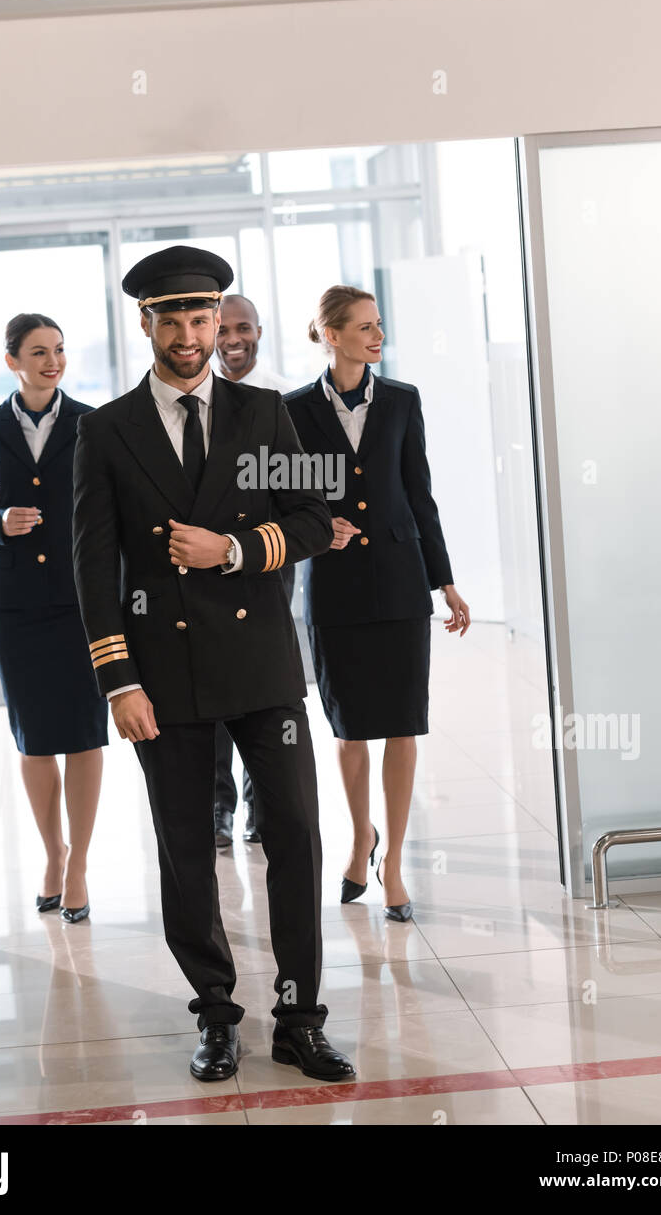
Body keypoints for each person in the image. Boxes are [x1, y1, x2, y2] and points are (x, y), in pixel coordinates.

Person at [71, 245, 356, 1084]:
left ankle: (299, 1016)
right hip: (163, 675)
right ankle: (217, 1013)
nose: (191, 335)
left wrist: (231, 548)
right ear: (147, 324)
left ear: (217, 322)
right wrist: (117, 680)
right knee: (188, 848)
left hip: (263, 665)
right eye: (174, 321)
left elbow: (310, 517)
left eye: (203, 319)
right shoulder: (105, 429)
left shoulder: (264, 413)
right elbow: (92, 564)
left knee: (297, 838)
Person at [284, 285, 471, 923]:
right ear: (331, 334)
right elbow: (284, 498)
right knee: (351, 729)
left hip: (399, 580)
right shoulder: (292, 411)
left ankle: (393, 865)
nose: (376, 336)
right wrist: (318, 527)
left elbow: (420, 493)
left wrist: (443, 579)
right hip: (334, 588)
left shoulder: (401, 400)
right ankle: (360, 838)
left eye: (379, 325)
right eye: (363, 326)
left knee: (402, 724)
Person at [0, 314, 106, 924]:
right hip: (16, 604)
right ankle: (52, 854)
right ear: (13, 360)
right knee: (34, 734)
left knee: (86, 731)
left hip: (82, 600)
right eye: (39, 352)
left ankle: (80, 866)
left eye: (60, 350)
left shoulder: (93, 424)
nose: (53, 361)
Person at [212, 292, 294, 847]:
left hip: (267, 557)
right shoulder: (192, 397)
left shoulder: (281, 396)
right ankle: (217, 807)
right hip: (206, 560)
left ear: (259, 331)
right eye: (221, 329)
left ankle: (260, 807)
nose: (232, 339)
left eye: (242, 328)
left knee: (264, 685)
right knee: (211, 688)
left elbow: (301, 490)